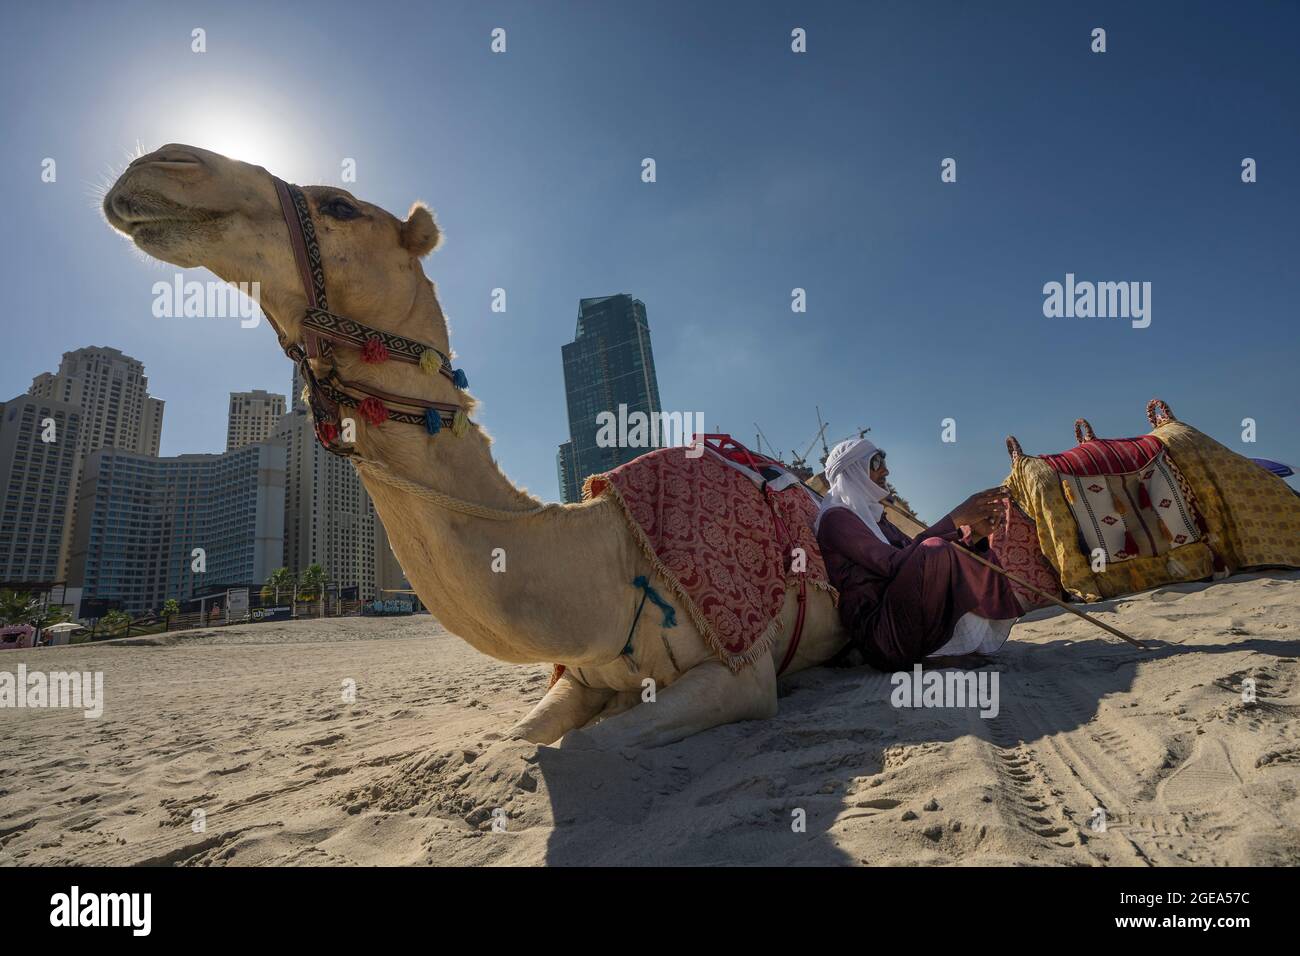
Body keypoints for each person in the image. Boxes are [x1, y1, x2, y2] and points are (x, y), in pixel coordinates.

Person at [814, 438, 1022, 670]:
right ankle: (930, 654)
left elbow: (908, 553)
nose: (886, 469)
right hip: (881, 635)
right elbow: (894, 564)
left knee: (974, 552)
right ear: (853, 471)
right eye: (875, 463)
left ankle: (949, 646)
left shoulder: (874, 516)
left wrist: (975, 535)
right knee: (934, 549)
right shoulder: (837, 519)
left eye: (883, 460)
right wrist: (955, 519)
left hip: (897, 615)